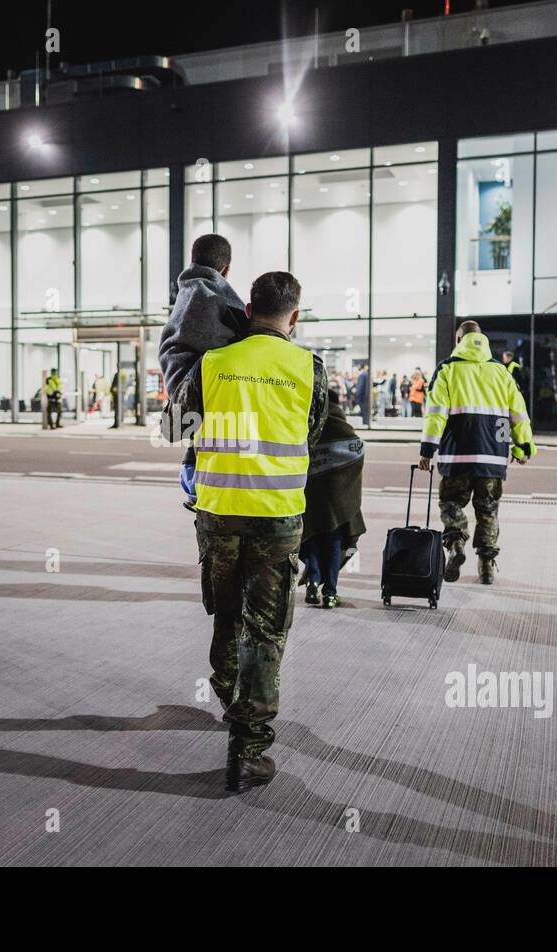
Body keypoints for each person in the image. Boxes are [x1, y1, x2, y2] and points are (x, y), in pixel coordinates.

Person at [179, 271, 328, 793]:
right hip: (276, 516)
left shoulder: (212, 363)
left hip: (218, 513)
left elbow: (182, 428)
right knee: (266, 631)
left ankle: (227, 691)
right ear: (294, 315)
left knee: (226, 614)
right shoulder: (309, 367)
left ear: (247, 312)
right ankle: (249, 749)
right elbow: (313, 432)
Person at [419, 320, 536, 586]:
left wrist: (427, 449)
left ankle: (457, 542)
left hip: (457, 456)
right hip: (493, 457)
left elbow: (436, 414)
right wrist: (522, 447)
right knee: (488, 512)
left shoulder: (447, 370)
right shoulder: (502, 372)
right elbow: (517, 414)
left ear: (459, 339)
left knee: (451, 504)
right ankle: (486, 566)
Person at [157, 234, 249, 507]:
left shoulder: (184, 300)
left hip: (195, 438)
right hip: (221, 447)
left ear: (192, 260)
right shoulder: (220, 303)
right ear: (226, 269)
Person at [299, 385, 366, 609]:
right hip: (338, 500)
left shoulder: (308, 423)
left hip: (311, 494)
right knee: (335, 542)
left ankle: (313, 578)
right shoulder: (342, 425)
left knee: (311, 537)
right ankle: (330, 593)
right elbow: (357, 451)